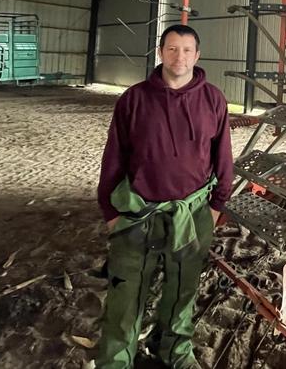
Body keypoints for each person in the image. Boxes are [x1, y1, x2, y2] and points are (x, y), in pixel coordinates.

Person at [95, 24, 233, 369]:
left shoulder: (213, 99)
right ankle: (117, 359)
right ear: (160, 53)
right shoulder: (134, 99)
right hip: (137, 213)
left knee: (182, 291)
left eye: (187, 50)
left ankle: (173, 351)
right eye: (172, 49)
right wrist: (110, 209)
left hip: (192, 213)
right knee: (125, 294)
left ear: (197, 55)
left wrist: (216, 205)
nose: (179, 56)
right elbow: (114, 157)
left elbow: (223, 157)